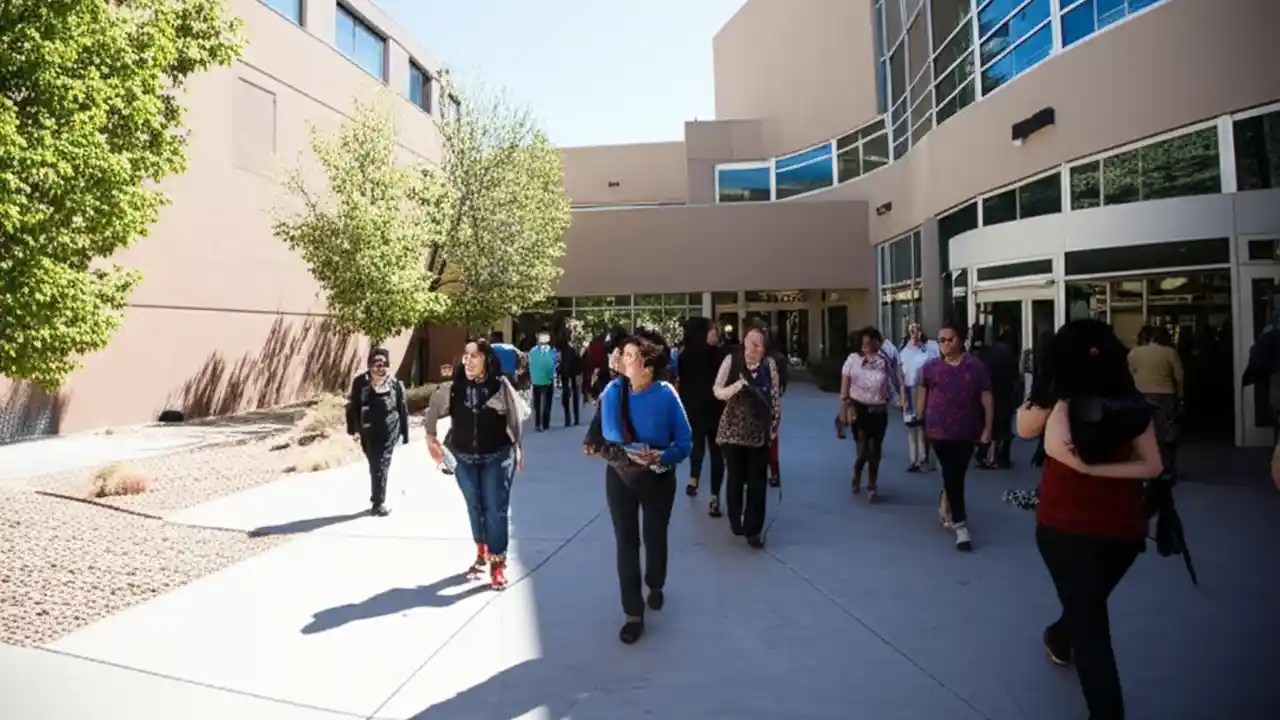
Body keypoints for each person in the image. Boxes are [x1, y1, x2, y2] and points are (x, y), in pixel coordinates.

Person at [1015, 319, 1162, 720]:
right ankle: (1060, 637)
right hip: (1124, 531)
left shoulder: (1058, 396)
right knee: (1088, 603)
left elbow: (1023, 428)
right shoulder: (1130, 401)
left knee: (1092, 628)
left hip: (1066, 527)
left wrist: (1048, 388)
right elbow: (1153, 464)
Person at [595, 329, 692, 645]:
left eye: (632, 356)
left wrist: (662, 455)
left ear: (648, 367)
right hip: (622, 475)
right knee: (626, 542)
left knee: (654, 536)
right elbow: (609, 432)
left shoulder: (665, 394)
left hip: (658, 476)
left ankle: (656, 582)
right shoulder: (613, 391)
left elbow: (685, 441)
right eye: (623, 354)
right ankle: (632, 613)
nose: (624, 359)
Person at [425, 338, 528, 591]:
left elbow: (517, 415)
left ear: (486, 359)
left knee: (495, 509)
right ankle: (481, 552)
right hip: (463, 458)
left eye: (475, 356)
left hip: (498, 455)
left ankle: (498, 563)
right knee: (475, 505)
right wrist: (431, 438)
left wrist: (519, 448)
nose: (468, 360)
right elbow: (433, 408)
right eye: (466, 355)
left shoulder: (500, 385)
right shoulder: (454, 387)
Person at [916, 322, 993, 552]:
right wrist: (918, 417)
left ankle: (946, 499)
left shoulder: (975, 366)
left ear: (960, 340)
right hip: (938, 430)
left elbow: (987, 398)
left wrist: (988, 429)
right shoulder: (931, 367)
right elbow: (922, 393)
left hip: (967, 430)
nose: (946, 344)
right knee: (952, 474)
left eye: (950, 339)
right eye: (941, 340)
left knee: (957, 472)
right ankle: (961, 526)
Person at [713, 325, 782, 549]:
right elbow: (717, 390)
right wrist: (737, 386)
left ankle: (754, 529)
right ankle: (735, 518)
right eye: (752, 344)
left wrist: (774, 426)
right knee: (735, 477)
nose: (756, 349)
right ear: (744, 342)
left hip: (758, 430)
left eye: (760, 345)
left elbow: (774, 396)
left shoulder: (769, 365)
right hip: (733, 430)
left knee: (757, 481)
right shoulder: (732, 361)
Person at [345, 347, 410, 517]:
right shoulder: (361, 383)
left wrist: (404, 433)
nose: (381, 368)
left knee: (381, 464)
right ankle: (377, 497)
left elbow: (402, 408)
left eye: (384, 364)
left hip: (389, 431)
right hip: (368, 431)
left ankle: (378, 503)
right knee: (375, 464)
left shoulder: (395, 384)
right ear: (370, 365)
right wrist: (353, 430)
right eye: (377, 364)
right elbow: (353, 407)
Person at [841, 326, 899, 502]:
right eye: (865, 342)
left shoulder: (884, 361)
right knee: (863, 450)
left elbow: (894, 381)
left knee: (875, 448)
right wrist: (844, 405)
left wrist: (899, 398)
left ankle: (872, 484)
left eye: (871, 342)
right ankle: (857, 472)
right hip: (859, 409)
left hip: (879, 409)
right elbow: (845, 386)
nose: (867, 345)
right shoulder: (853, 360)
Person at [676, 317, 727, 515]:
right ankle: (714, 496)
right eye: (712, 331)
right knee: (715, 453)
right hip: (715, 410)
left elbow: (685, 386)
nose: (716, 334)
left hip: (697, 411)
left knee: (700, 447)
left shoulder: (684, 356)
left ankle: (695, 480)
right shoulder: (719, 355)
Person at [1129, 325, 1184, 480]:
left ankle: (1144, 465)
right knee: (1167, 432)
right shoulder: (1169, 352)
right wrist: (1181, 397)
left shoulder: (1134, 353)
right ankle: (1167, 467)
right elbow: (1179, 377)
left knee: (1143, 432)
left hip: (1141, 395)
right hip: (1165, 395)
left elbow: (1128, 374)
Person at [970, 324, 1020, 470]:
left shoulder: (981, 353)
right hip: (1005, 392)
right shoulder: (1007, 352)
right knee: (1003, 426)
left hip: (988, 392)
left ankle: (985, 454)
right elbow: (1015, 375)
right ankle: (999, 456)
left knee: (987, 424)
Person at [898, 322, 939, 472]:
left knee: (924, 425)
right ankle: (913, 459)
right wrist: (901, 396)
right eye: (912, 330)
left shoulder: (929, 348)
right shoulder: (904, 351)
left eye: (917, 329)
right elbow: (901, 374)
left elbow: (935, 365)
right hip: (910, 390)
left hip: (926, 390)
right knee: (911, 427)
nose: (915, 333)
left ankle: (925, 458)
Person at [767, 326, 790, 488]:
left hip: (763, 401)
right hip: (772, 402)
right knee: (772, 439)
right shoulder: (780, 358)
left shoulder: (763, 358)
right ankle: (775, 473)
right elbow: (783, 382)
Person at [527, 328, 558, 431]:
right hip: (547, 379)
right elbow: (552, 364)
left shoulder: (532, 351)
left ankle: (537, 423)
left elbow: (530, 364)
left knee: (537, 403)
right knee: (547, 402)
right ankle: (545, 423)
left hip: (536, 380)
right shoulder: (551, 350)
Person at [557, 331, 582, 427]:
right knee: (575, 395)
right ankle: (576, 418)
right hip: (573, 373)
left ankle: (568, 417)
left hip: (565, 373)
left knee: (566, 394)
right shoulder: (573, 349)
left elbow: (558, 363)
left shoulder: (560, 350)